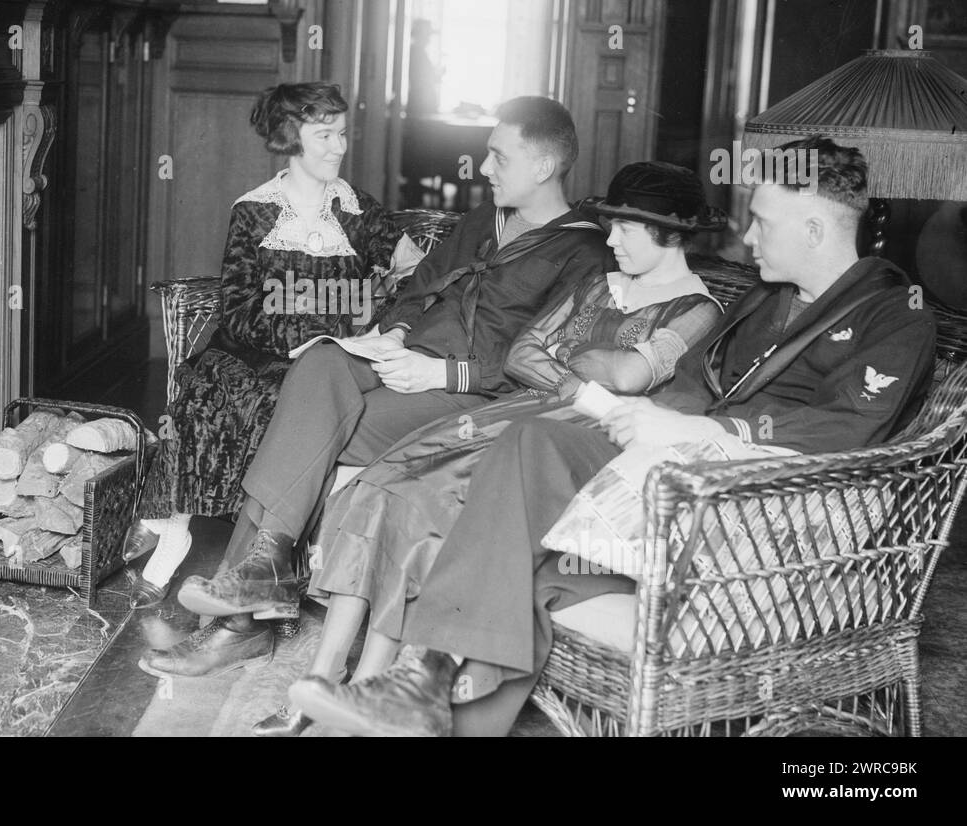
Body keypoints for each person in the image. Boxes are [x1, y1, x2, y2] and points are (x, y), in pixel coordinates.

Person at [293, 135, 940, 736]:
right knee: (530, 444)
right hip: (676, 460)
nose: (747, 238)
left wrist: (702, 427)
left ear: (816, 227)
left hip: (748, 488)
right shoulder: (769, 297)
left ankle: (427, 694)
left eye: (763, 223)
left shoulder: (895, 313)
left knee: (531, 559)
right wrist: (644, 414)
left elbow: (852, 423)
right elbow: (696, 375)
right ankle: (424, 686)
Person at [139, 96, 614, 680]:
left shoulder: (586, 252)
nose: (483, 168)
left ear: (542, 167)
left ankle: (245, 616)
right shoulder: (476, 222)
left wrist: (443, 373)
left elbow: (549, 361)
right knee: (318, 364)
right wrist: (392, 335)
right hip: (402, 360)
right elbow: (416, 290)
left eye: (498, 156)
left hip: (472, 395)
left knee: (316, 428)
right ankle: (258, 581)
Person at [251, 162, 726, 735]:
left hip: (572, 436)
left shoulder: (699, 309)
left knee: (427, 503)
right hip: (514, 408)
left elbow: (628, 375)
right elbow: (521, 353)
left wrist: (571, 370)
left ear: (671, 235)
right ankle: (328, 679)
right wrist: (585, 372)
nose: (612, 238)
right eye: (610, 224)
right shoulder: (600, 284)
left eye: (627, 228)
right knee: (382, 484)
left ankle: (371, 689)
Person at [126, 82, 405, 607]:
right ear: (289, 137)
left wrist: (371, 315)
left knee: (276, 401)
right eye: (324, 135)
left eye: (342, 133)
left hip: (330, 355)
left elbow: (414, 270)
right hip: (253, 342)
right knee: (208, 385)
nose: (339, 147)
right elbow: (238, 304)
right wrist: (295, 335)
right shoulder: (255, 210)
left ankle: (265, 563)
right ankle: (175, 524)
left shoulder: (358, 210)